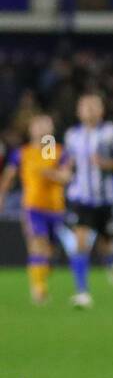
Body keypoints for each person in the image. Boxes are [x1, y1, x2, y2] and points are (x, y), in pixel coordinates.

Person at [63, 93, 113, 308]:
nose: (90, 110)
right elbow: (68, 162)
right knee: (80, 242)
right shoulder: (72, 135)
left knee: (106, 245)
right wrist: (62, 173)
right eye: (85, 106)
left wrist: (105, 164)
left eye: (94, 106)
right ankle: (82, 292)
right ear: (78, 111)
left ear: (102, 110)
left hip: (106, 199)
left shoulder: (111, 132)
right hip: (81, 198)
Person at [0, 114, 67, 304]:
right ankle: (38, 291)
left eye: (47, 125)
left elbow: (65, 176)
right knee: (37, 244)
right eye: (39, 125)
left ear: (52, 129)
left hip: (55, 208)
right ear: (31, 129)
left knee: (50, 254)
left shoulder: (58, 151)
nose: (43, 128)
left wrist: (52, 174)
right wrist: (2, 196)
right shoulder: (22, 153)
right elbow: (9, 176)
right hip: (32, 207)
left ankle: (41, 277)